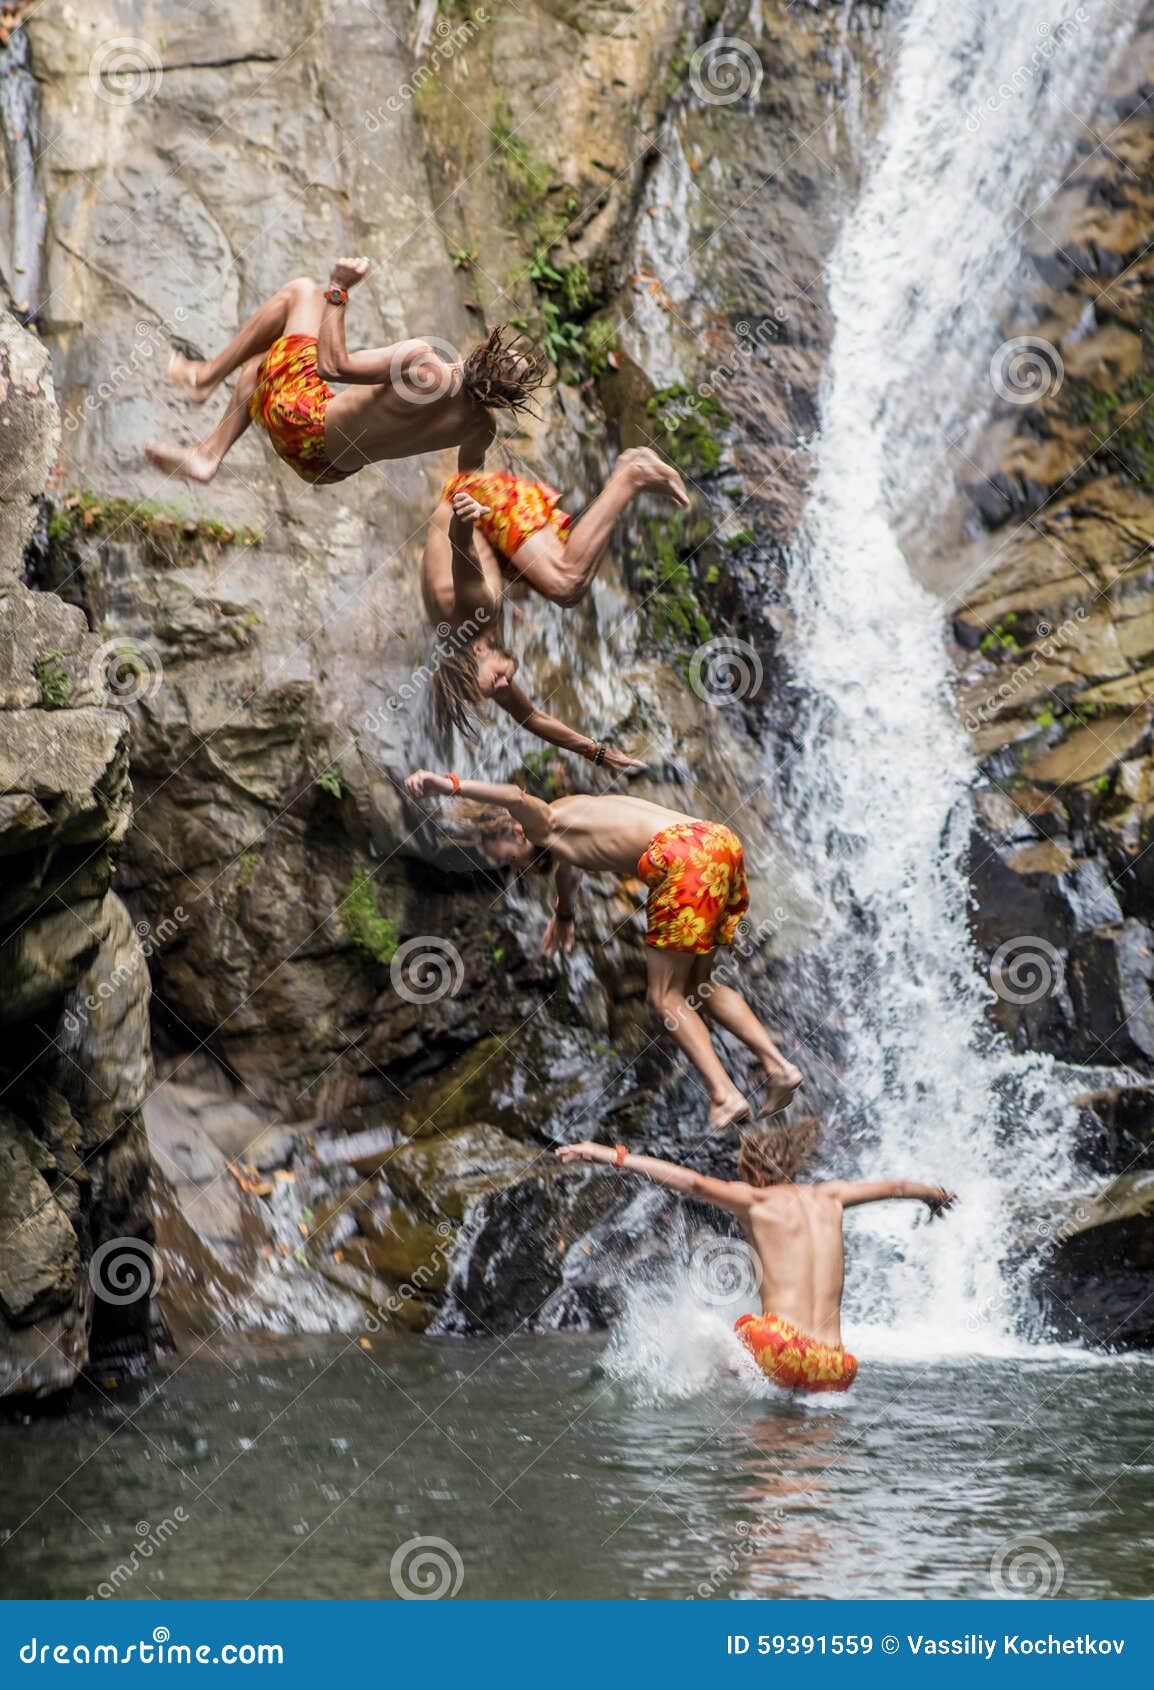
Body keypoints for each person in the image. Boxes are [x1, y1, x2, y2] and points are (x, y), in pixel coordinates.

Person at [402, 769, 801, 1128]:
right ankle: (779, 1067)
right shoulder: (573, 820)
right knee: (700, 988)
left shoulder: (541, 822)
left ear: (513, 833)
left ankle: (724, 1093)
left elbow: (513, 797)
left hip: (679, 862)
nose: (514, 869)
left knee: (664, 997)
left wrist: (444, 785)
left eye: (507, 859)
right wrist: (565, 915)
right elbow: (569, 874)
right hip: (717, 843)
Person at [555, 1123, 958, 1393]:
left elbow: (691, 1181)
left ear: (751, 1170)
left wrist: (611, 1155)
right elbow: (897, 1185)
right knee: (805, 1446)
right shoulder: (833, 1196)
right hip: (836, 1367)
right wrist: (933, 1195)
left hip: (780, 1350)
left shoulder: (755, 1200)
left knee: (706, 1334)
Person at [143, 256, 547, 485]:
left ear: (486, 348)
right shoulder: (482, 429)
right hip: (325, 470)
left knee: (302, 291)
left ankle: (204, 379)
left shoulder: (424, 363)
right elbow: (468, 486)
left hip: (304, 422)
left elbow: (333, 365)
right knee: (261, 371)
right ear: (504, 400)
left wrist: (337, 291)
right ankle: (208, 455)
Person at [423, 450, 688, 770]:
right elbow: (531, 717)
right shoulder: (477, 661)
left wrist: (464, 518)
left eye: (496, 681)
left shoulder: (473, 610)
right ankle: (628, 476)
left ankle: (633, 473)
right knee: (568, 586)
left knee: (566, 584)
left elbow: (460, 547)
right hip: (479, 527)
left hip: (469, 503)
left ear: (476, 649)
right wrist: (597, 753)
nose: (506, 685)